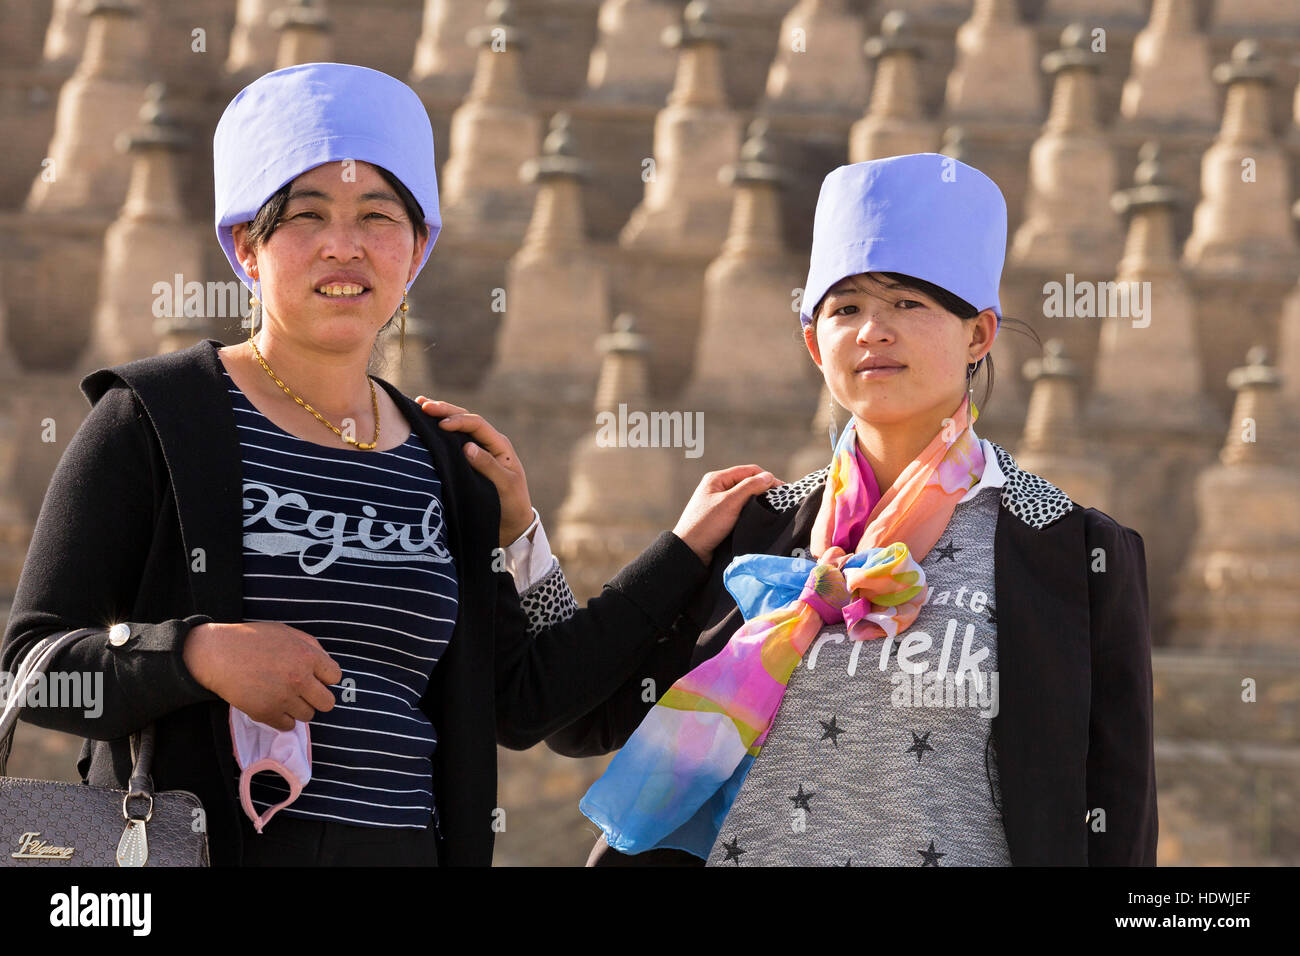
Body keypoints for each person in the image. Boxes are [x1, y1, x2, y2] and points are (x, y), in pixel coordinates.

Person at [0, 61, 779, 867]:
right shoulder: (157, 419)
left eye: (379, 216)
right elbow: (29, 671)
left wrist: (667, 549)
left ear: (415, 253)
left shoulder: (446, 461)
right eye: (306, 216)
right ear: (247, 247)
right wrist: (196, 655)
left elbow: (527, 703)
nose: (345, 245)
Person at [547, 153, 1158, 866]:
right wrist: (652, 549)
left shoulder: (1069, 548)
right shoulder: (758, 529)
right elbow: (570, 717)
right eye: (846, 309)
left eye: (907, 303)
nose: (873, 330)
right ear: (814, 342)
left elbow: (1118, 808)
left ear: (979, 334)